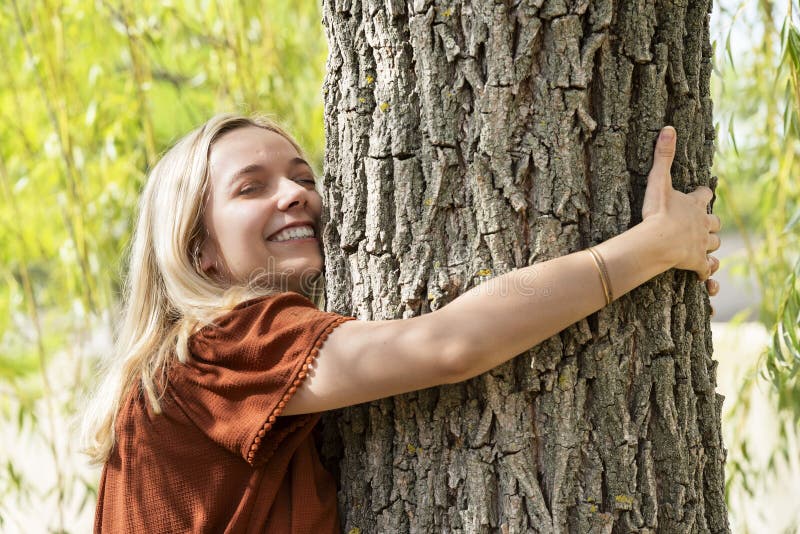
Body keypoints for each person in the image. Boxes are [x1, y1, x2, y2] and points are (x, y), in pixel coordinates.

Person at [81, 113, 722, 533]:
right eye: (251, 188)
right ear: (199, 251)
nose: (296, 193)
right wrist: (650, 248)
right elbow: (447, 345)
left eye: (303, 177)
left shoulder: (176, 371)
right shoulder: (225, 346)